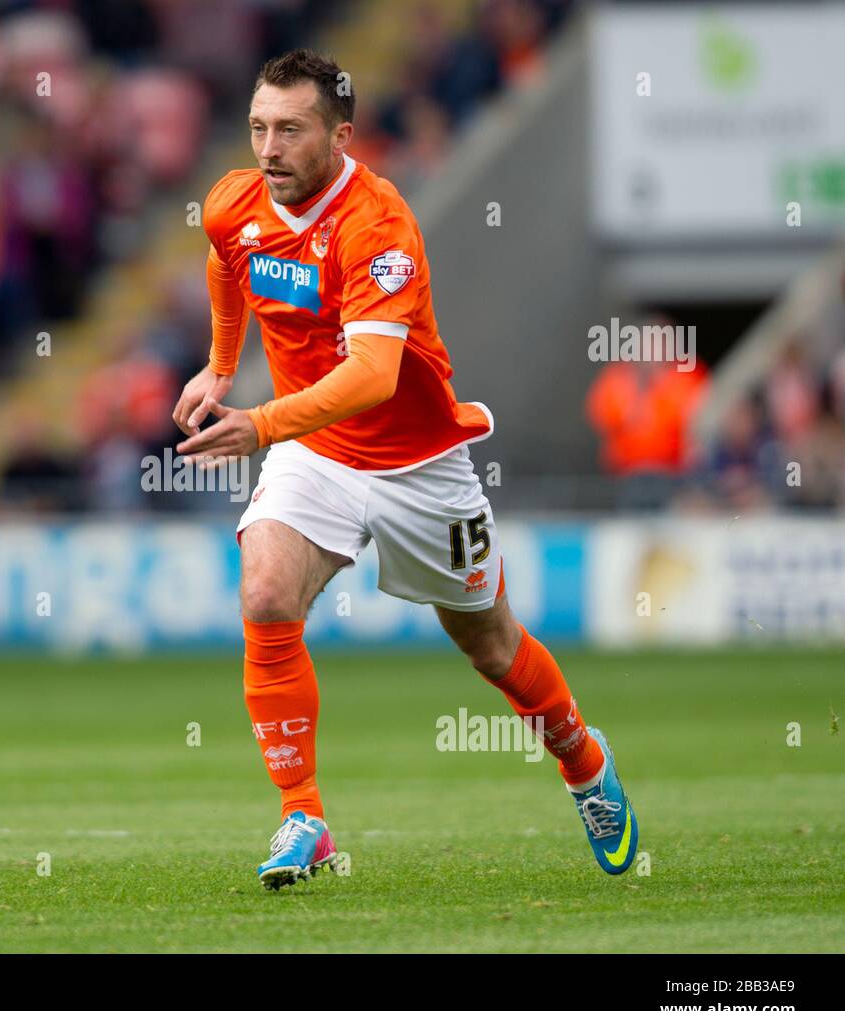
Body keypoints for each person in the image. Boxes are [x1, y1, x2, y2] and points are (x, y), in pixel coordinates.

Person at [171, 49, 637, 889]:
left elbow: (372, 378)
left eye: (290, 130)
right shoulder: (235, 201)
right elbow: (226, 259)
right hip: (316, 449)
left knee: (491, 645)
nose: (269, 148)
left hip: (418, 463)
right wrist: (220, 362)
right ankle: (303, 816)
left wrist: (261, 422)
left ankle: (584, 762)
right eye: (258, 128)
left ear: (340, 136)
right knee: (266, 594)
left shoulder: (377, 226)